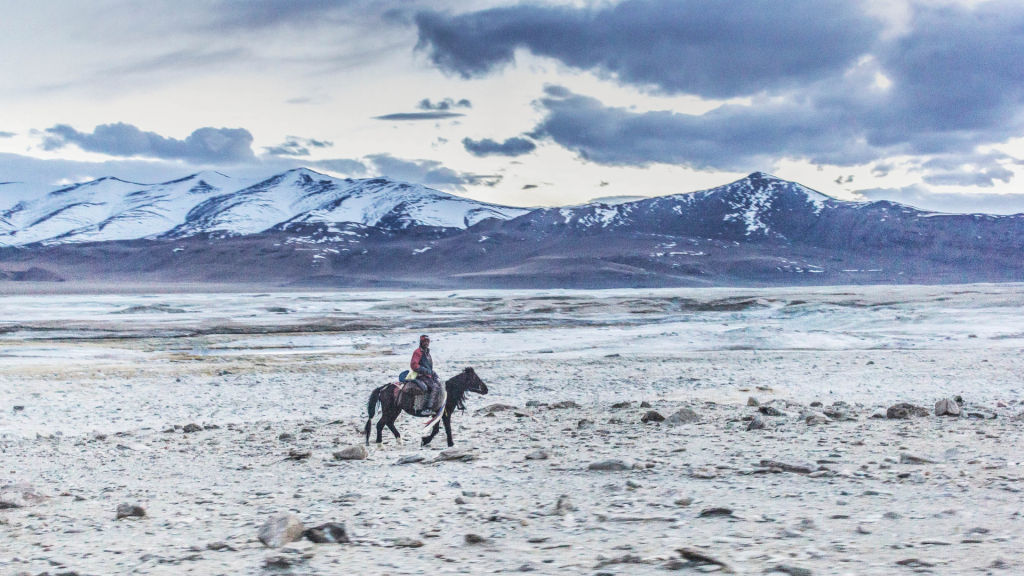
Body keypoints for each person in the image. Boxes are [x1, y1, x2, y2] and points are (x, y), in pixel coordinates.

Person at [410, 334, 440, 416]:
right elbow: (414, 365)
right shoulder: (417, 352)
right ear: (421, 342)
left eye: (427, 341)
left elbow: (428, 367)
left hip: (428, 376)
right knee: (435, 387)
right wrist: (426, 371)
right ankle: (427, 409)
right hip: (420, 376)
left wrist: (433, 373)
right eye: (424, 341)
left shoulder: (427, 353)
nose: (426, 343)